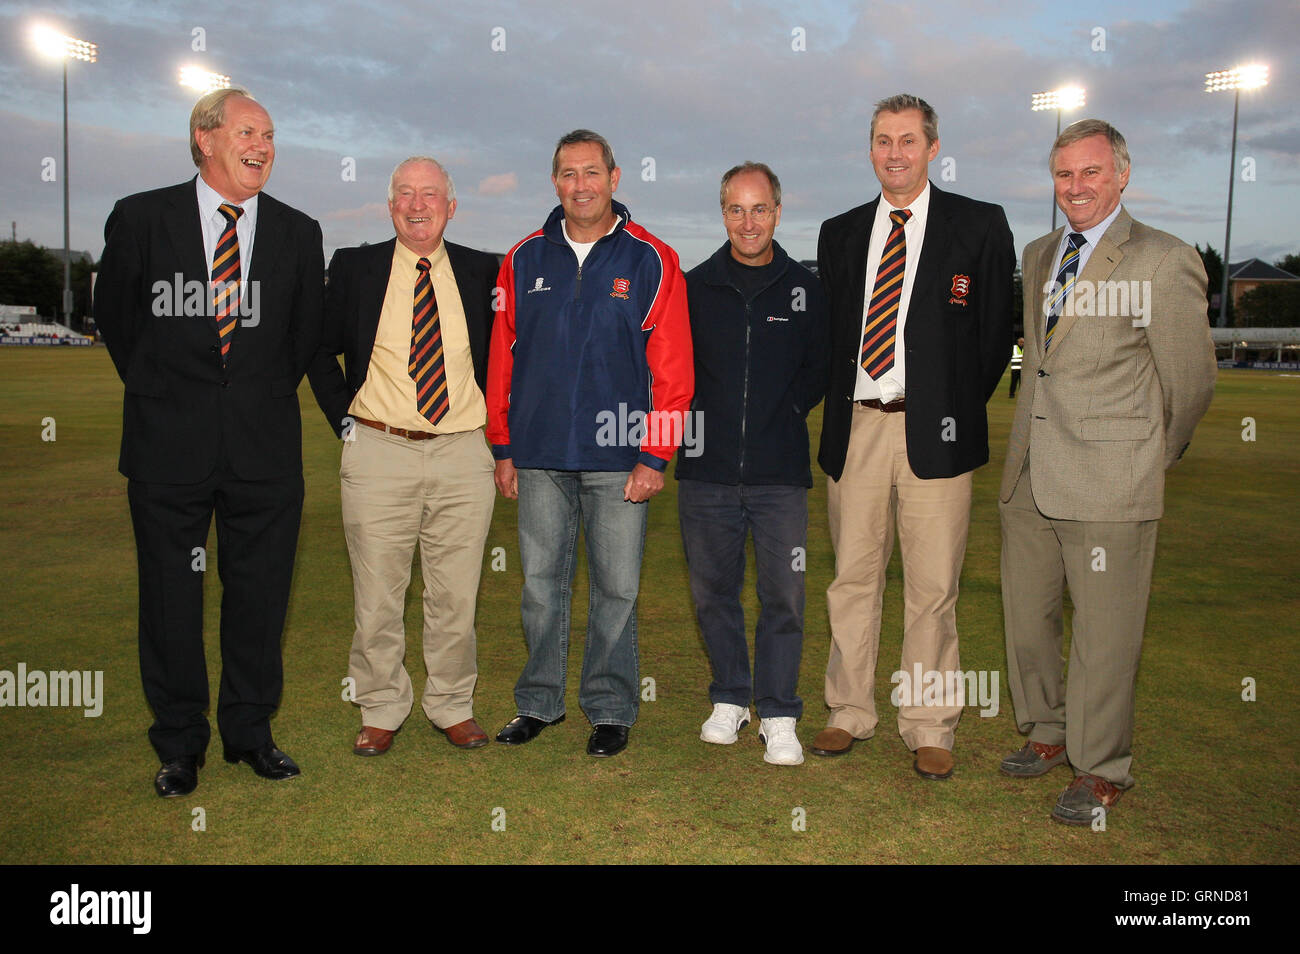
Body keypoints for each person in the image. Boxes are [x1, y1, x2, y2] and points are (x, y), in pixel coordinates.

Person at [94, 88, 324, 797]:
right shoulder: (141, 218)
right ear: (205, 138)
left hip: (264, 451)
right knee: (171, 597)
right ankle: (179, 744)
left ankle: (250, 734)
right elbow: (120, 323)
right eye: (248, 131)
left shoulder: (298, 230)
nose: (263, 145)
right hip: (169, 448)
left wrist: (246, 398)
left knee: (260, 596)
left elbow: (300, 340)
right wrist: (172, 396)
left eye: (271, 135)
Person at [998, 119, 1215, 824]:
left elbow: (1191, 380)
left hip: (1111, 478)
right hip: (1032, 472)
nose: (1076, 187)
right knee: (1027, 621)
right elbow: (1045, 363)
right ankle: (1051, 730)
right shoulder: (1038, 254)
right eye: (1064, 174)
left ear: (1122, 175)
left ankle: (1103, 766)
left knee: (1105, 633)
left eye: (1091, 172)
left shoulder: (1161, 258)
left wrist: (1149, 457)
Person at [813, 94, 1014, 780]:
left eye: (906, 140)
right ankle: (848, 711)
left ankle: (930, 722)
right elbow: (834, 337)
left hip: (938, 430)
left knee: (932, 587)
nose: (893, 152)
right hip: (858, 426)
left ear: (932, 146)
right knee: (853, 580)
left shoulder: (979, 226)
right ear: (869, 149)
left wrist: (948, 408)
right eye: (881, 140)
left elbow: (992, 340)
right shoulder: (839, 233)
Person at [486, 129, 692, 758]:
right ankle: (539, 702)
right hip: (541, 454)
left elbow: (673, 370)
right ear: (555, 182)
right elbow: (502, 359)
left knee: (618, 590)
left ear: (615, 177)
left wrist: (655, 455)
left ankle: (609, 708)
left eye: (592, 173)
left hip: (620, 460)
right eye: (569, 174)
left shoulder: (652, 258)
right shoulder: (523, 258)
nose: (581, 185)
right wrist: (502, 445)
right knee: (540, 587)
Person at [307, 157, 498, 757]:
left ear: (451, 205)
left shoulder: (481, 270)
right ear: (391, 206)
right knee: (378, 592)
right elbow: (317, 345)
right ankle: (381, 705)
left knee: (456, 593)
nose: (419, 205)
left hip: (465, 453)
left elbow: (511, 355)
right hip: (378, 450)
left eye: (431, 194)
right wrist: (346, 416)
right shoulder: (357, 267)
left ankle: (451, 704)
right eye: (406, 195)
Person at [676, 162, 829, 766]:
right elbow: (673, 372)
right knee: (713, 593)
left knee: (783, 596)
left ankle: (780, 710)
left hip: (779, 473)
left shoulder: (805, 288)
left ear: (777, 212)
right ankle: (731, 698)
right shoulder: (694, 286)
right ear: (723, 214)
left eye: (759, 208)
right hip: (706, 471)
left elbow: (820, 368)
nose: (749, 221)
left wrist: (784, 410)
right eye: (737, 209)